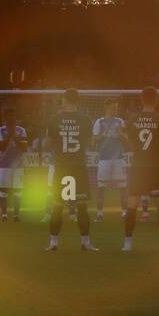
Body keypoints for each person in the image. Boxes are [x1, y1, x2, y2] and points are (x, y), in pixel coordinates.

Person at [123, 88, 159, 252]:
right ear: (156, 100)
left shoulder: (133, 119)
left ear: (141, 99)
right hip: (155, 166)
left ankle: (127, 244)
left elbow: (129, 142)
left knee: (132, 205)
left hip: (138, 166)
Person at [46, 89, 97, 252]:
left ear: (65, 99)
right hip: (79, 167)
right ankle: (85, 243)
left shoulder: (55, 119)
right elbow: (90, 143)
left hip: (61, 167)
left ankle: (53, 243)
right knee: (82, 206)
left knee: (57, 205)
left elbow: (48, 144)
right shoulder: (85, 119)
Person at [0, 105, 29, 223]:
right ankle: (4, 214)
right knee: (4, 189)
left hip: (19, 165)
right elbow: (1, 147)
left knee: (18, 190)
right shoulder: (0, 130)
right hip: (5, 164)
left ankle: (16, 215)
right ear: (5, 118)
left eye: (14, 116)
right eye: (10, 116)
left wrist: (14, 136)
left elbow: (24, 147)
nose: (12, 118)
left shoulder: (21, 130)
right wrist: (10, 135)